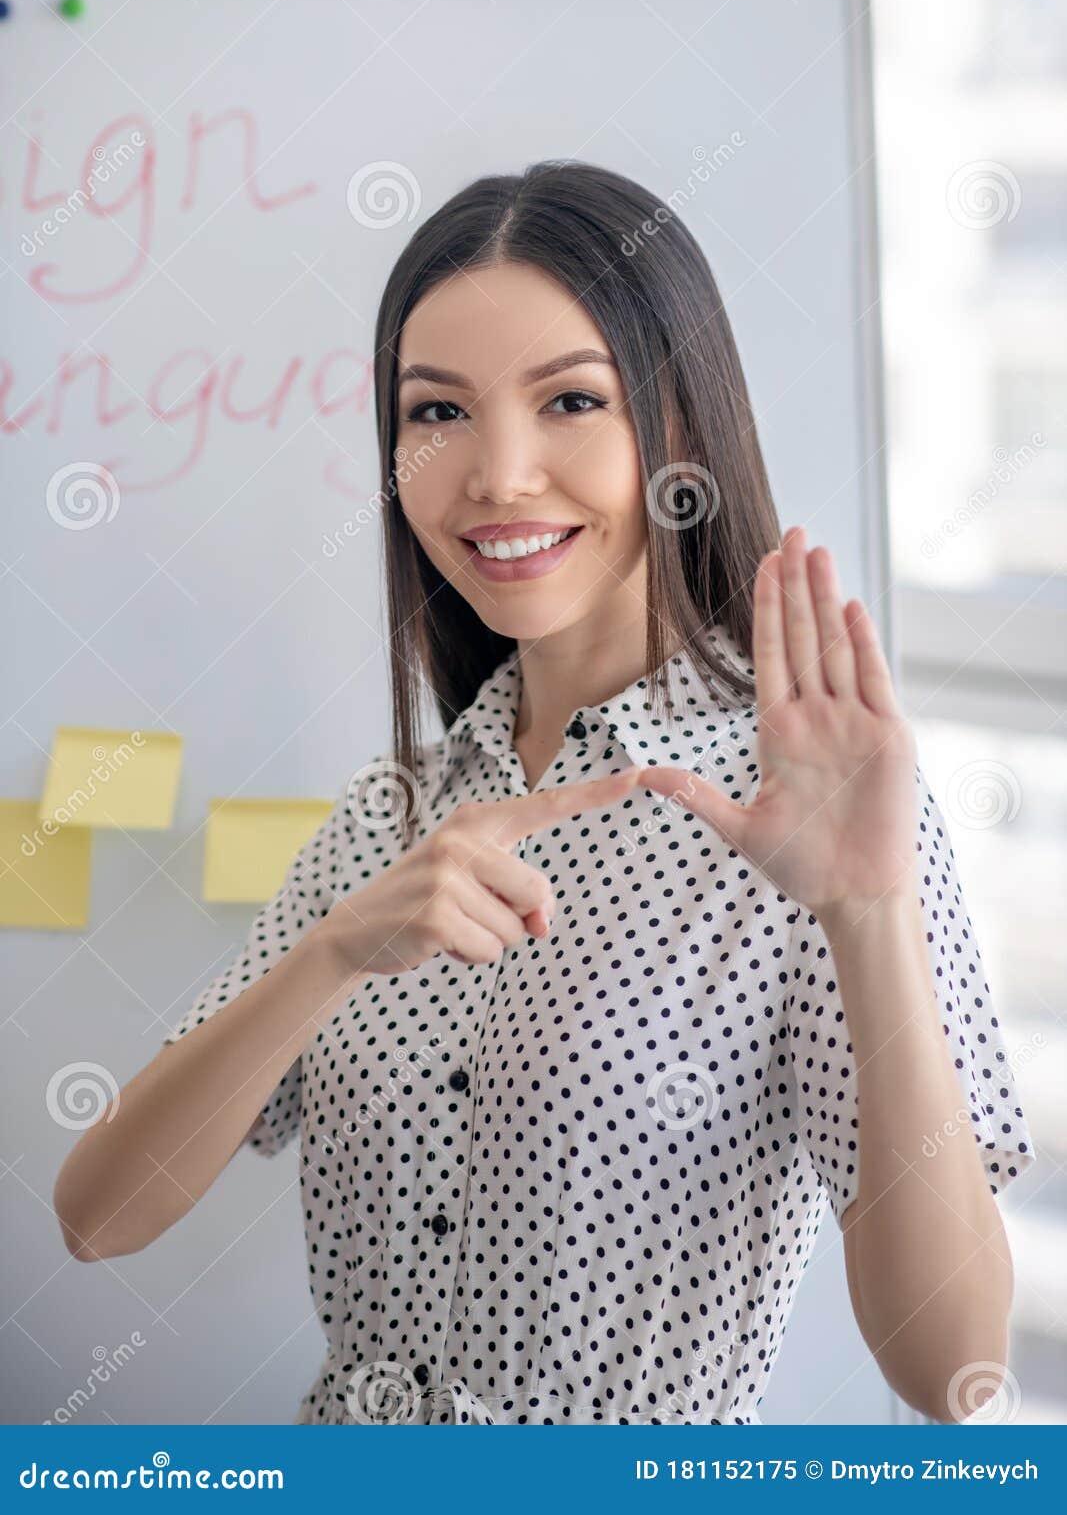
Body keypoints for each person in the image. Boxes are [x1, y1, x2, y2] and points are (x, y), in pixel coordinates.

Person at [53, 160, 1032, 1426]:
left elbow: (951, 1367)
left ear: (677, 436)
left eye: (570, 399)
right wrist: (340, 946)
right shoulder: (383, 820)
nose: (497, 475)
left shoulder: (814, 803)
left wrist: (866, 914)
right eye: (437, 413)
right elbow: (96, 1216)